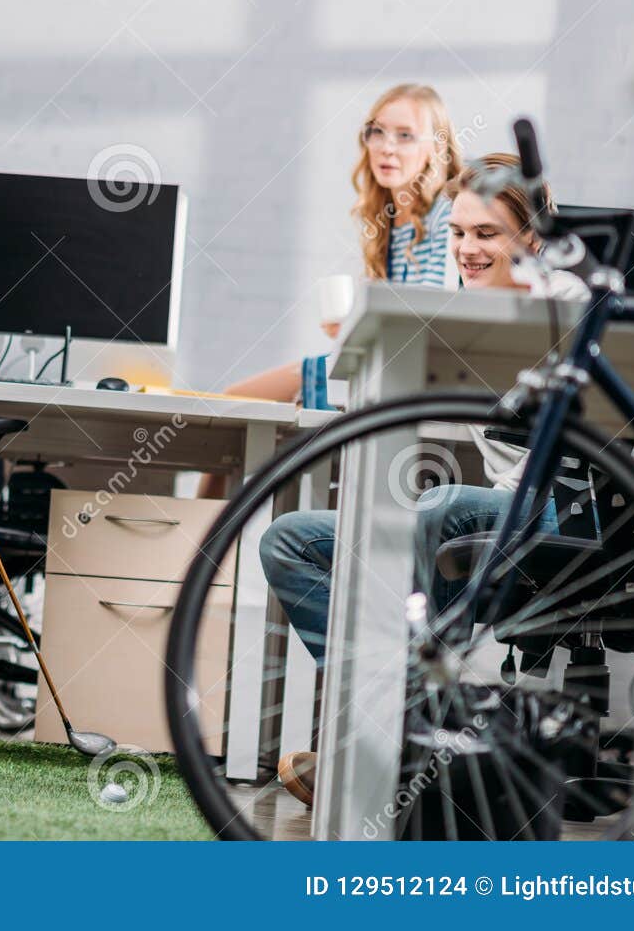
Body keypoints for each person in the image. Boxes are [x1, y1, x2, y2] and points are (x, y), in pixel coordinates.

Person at [260, 153, 584, 807]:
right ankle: (403, 727)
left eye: (486, 234)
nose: (467, 249)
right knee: (292, 539)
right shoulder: (464, 314)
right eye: (459, 234)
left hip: (568, 518)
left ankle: (385, 743)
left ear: (532, 238)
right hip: (502, 516)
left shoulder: (568, 305)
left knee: (442, 507)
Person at [199, 83, 464, 497]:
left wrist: (359, 330)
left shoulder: (449, 217)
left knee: (236, 408)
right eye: (377, 132)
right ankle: (206, 556)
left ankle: (202, 557)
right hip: (378, 367)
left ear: (437, 147)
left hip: (409, 377)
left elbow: (433, 322)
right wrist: (352, 328)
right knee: (233, 412)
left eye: (405, 135)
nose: (386, 147)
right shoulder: (391, 223)